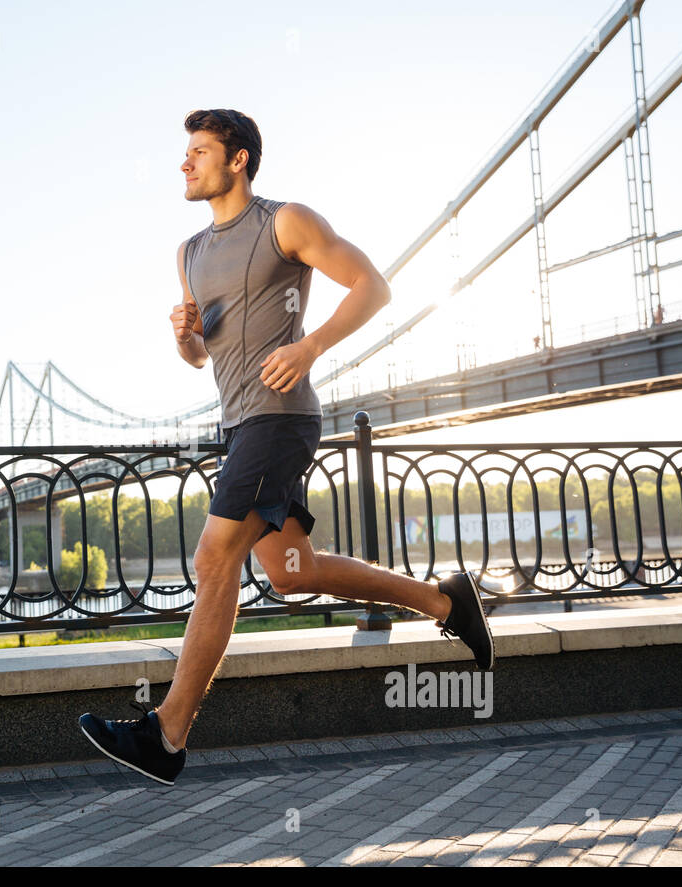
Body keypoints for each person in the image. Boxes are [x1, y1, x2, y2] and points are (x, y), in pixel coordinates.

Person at [77, 108, 494, 786]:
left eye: (200, 152)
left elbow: (374, 287)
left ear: (238, 160)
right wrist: (182, 334)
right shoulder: (188, 252)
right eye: (186, 153)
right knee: (292, 572)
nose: (185, 163)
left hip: (280, 421)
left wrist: (309, 346)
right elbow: (197, 358)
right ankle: (447, 604)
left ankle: (168, 732)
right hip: (240, 425)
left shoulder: (285, 221)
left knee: (214, 556)